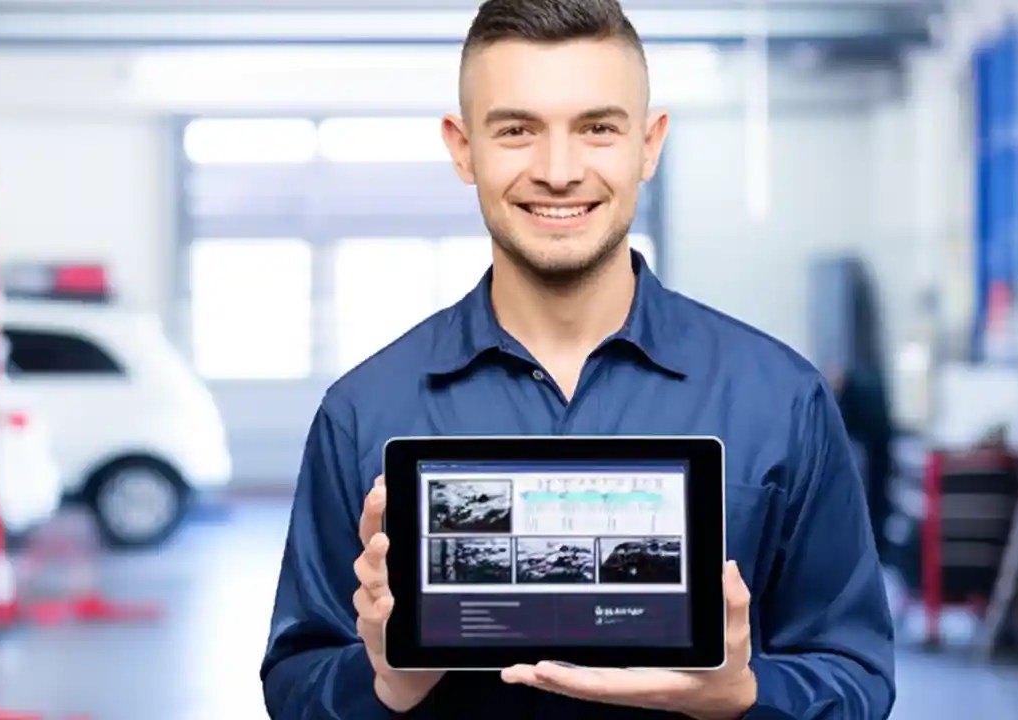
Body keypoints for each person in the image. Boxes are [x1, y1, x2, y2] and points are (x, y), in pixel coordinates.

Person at [259, 0, 897, 717]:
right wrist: (385, 684)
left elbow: (857, 679)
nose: (559, 171)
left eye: (597, 128)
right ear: (462, 147)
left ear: (648, 145)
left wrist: (745, 696)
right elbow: (294, 682)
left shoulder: (780, 401)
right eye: (517, 130)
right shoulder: (363, 412)